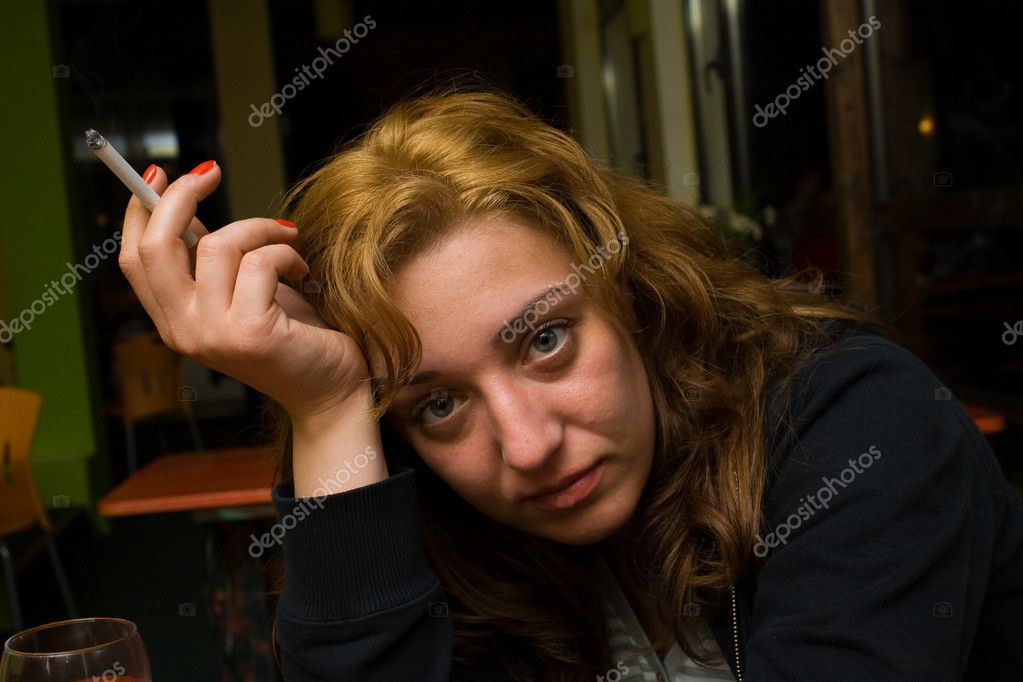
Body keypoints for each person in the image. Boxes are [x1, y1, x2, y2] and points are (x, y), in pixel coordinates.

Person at [118, 89, 1023, 681]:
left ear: (629, 292)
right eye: (437, 403)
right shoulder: (446, 526)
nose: (527, 444)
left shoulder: (859, 422)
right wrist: (324, 411)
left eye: (546, 339)